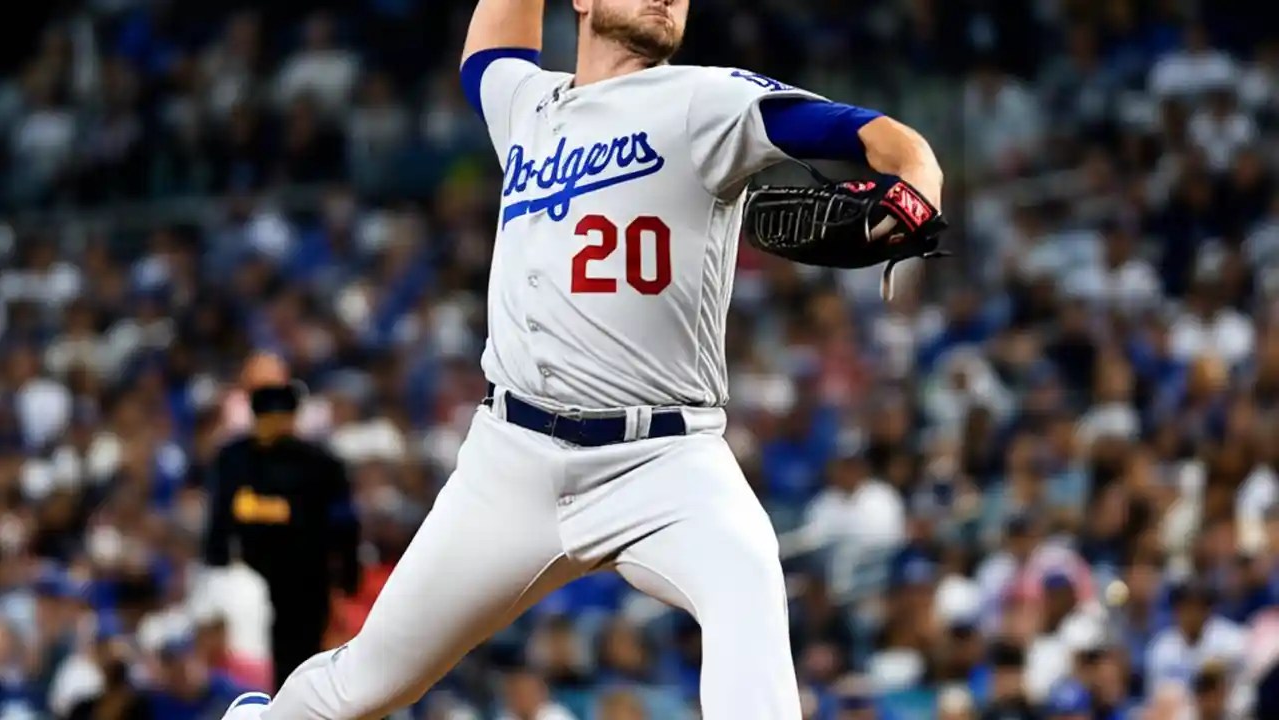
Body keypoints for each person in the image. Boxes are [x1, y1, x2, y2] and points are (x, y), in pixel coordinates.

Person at [222, 0, 944, 716]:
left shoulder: (707, 101)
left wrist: (918, 181)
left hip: (665, 462)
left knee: (747, 586)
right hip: (513, 458)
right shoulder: (525, 105)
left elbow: (875, 135)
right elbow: (488, 51)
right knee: (361, 690)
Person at [204, 370, 359, 691]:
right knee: (254, 652)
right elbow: (220, 514)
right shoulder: (234, 459)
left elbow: (344, 523)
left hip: (305, 576)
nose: (275, 424)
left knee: (303, 658)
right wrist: (216, 561)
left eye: (282, 416)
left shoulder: (320, 464)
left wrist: (347, 573)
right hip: (250, 570)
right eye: (268, 416)